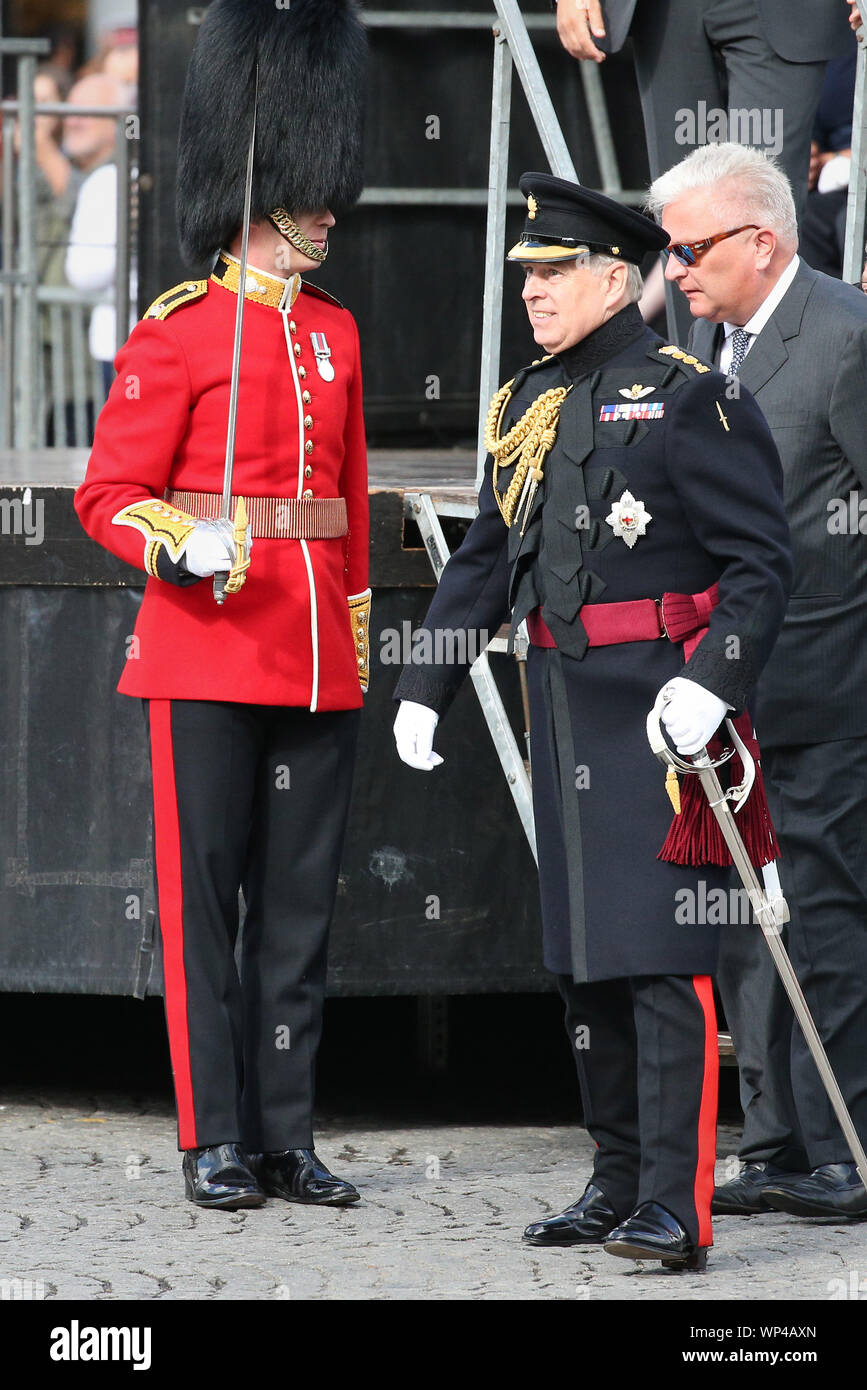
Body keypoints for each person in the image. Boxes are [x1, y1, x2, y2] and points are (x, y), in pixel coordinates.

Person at [394, 173, 792, 1270]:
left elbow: (763, 566)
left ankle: (677, 1200)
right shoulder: (525, 399)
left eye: (554, 272)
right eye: (526, 274)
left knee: (661, 959)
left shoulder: (686, 394)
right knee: (583, 958)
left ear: (615, 277)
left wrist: (715, 679)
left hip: (660, 711)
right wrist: (426, 679)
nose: (533, 291)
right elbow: (487, 555)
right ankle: (617, 1177)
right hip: (561, 701)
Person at [74, 0, 370, 1211]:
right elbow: (106, 492)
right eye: (314, 193)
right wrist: (179, 543)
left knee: (298, 915)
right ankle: (215, 1135)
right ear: (272, 193)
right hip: (203, 648)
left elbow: (347, 507)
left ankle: (288, 1135)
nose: (332, 216)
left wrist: (351, 639)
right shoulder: (181, 332)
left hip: (311, 657)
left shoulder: (339, 334)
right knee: (206, 909)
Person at [648, 141, 867, 1220]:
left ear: (761, 241)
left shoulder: (843, 335)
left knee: (823, 914)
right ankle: (774, 1136)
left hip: (830, 680)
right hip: (729, 690)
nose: (675, 270)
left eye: (689, 248)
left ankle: (846, 1144)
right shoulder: (711, 336)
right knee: (744, 919)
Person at [553, 0, 851, 341]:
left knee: (760, 212)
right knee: (680, 215)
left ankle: (761, 389)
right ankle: (696, 381)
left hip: (781, 11)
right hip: (669, 10)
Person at [63, 72, 130, 397]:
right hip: (120, 340)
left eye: (86, 111)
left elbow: (83, 272)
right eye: (68, 109)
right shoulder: (110, 177)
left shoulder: (107, 181)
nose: (70, 121)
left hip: (120, 344)